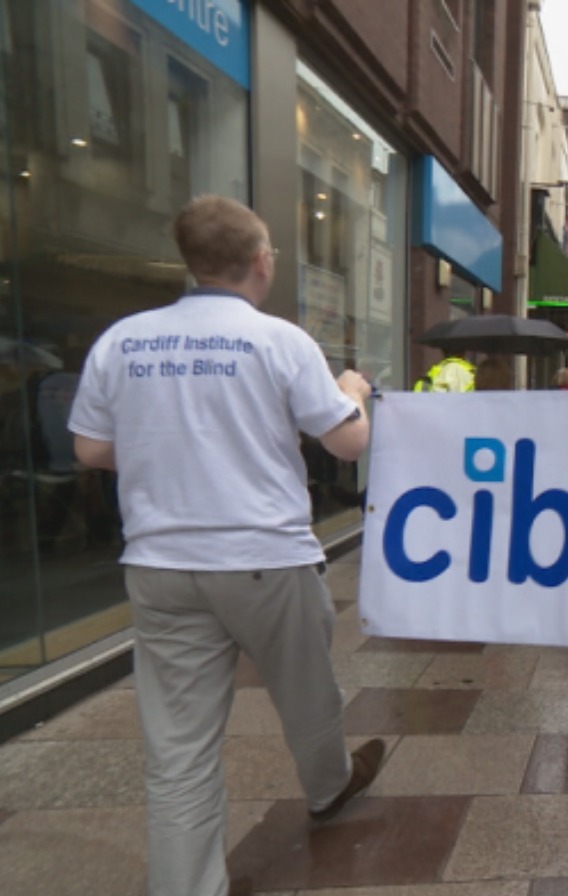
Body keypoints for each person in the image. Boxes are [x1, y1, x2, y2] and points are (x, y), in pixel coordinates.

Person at [67, 195, 385, 896]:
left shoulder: (123, 341)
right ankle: (328, 786)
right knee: (307, 693)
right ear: (261, 261)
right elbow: (347, 441)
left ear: (190, 262)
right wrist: (352, 391)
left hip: (159, 563)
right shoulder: (279, 341)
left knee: (178, 748)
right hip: (265, 557)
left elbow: (89, 448)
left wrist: (165, 451)